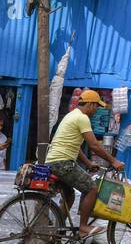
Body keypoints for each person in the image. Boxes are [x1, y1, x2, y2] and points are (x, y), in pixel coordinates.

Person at [44, 88, 124, 235]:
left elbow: (75, 146)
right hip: (63, 163)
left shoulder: (71, 115)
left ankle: (57, 232)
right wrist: (113, 161)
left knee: (69, 195)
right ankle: (83, 227)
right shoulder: (82, 118)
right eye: (96, 107)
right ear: (91, 105)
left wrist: (88, 163)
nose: (96, 111)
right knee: (91, 188)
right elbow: (94, 145)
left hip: (54, 161)